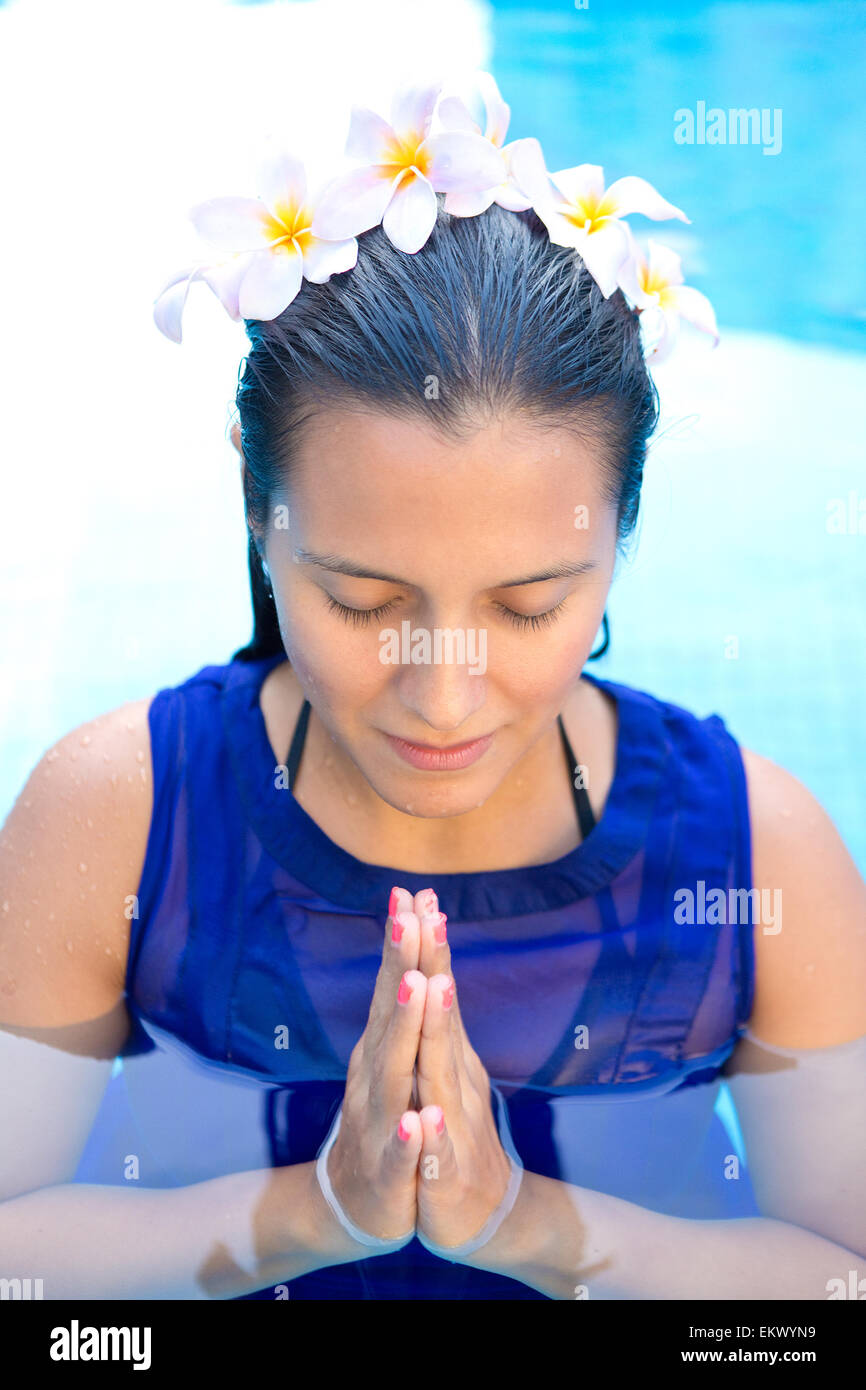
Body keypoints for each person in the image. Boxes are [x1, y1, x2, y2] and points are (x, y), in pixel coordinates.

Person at [1, 79, 864, 1302]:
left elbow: (840, 1284)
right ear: (261, 517)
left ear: (619, 536)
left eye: (527, 607)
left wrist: (522, 1223)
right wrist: (315, 1211)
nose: (443, 698)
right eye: (362, 602)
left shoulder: (760, 860)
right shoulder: (116, 818)